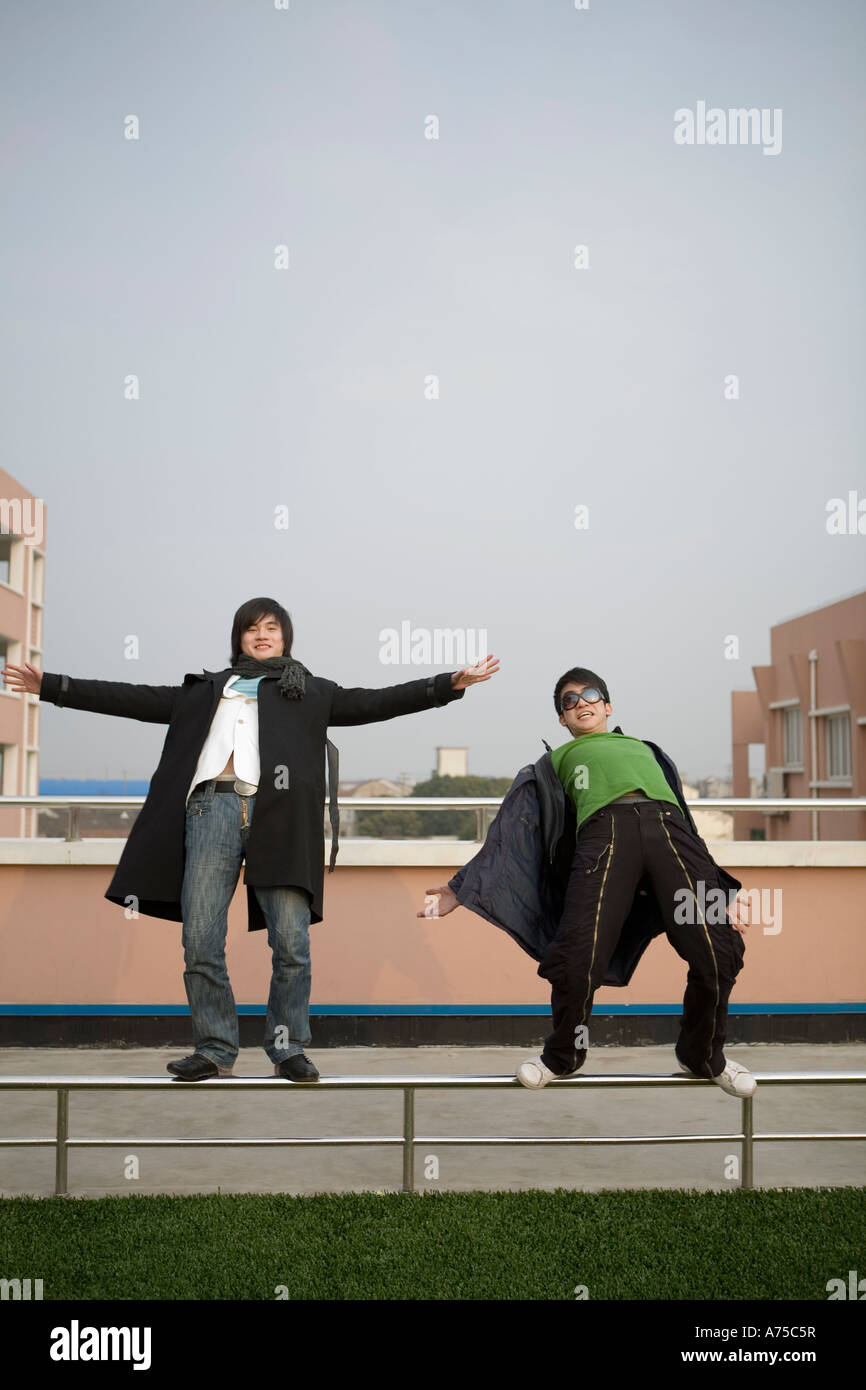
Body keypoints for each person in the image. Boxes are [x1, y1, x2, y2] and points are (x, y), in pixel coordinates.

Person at [3, 598, 498, 1083]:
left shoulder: (309, 692)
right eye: (251, 629)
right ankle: (214, 1049)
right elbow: (128, 698)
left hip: (279, 817)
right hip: (208, 810)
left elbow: (377, 702)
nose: (262, 635)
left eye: (272, 629)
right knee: (199, 938)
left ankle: (288, 1048)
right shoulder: (204, 690)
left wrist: (447, 685)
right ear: (238, 638)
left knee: (291, 942)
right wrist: (51, 685)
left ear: (285, 638)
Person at [419, 667, 754, 1098]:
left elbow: (689, 820)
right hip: (603, 840)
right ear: (562, 719)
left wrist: (717, 887)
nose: (580, 703)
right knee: (577, 953)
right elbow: (510, 832)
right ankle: (562, 1057)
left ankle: (704, 1056)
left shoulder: (645, 749)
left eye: (589, 694)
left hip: (670, 833)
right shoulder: (553, 762)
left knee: (718, 949)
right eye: (568, 701)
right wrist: (460, 887)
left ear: (608, 706)